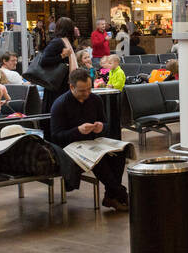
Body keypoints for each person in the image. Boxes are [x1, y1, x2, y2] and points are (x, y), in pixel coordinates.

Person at [50, 69, 130, 211]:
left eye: (89, 89)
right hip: (69, 146)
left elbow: (105, 125)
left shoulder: (95, 99)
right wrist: (77, 131)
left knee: (120, 152)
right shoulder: (60, 104)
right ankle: (121, 194)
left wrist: (101, 127)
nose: (86, 94)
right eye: (82, 91)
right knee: (99, 160)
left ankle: (111, 195)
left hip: (92, 142)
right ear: (71, 87)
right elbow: (56, 136)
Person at [37, 16, 79, 110]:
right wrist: (61, 56)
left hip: (62, 83)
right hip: (57, 85)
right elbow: (44, 61)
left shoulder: (66, 42)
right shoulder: (57, 42)